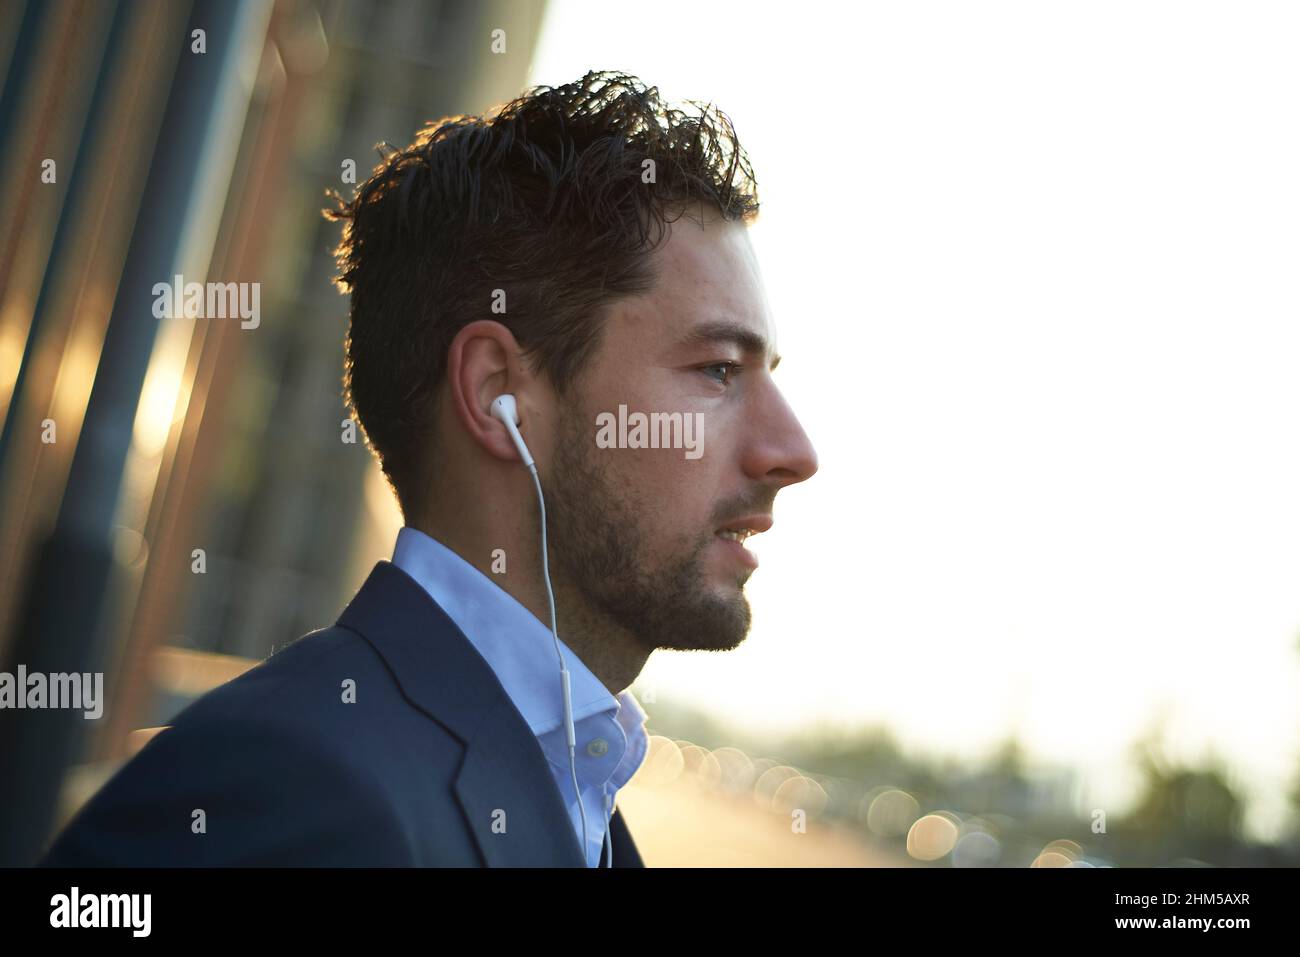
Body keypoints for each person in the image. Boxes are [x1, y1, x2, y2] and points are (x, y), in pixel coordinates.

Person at [39, 69, 818, 867]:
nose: (794, 452)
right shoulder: (284, 794)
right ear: (496, 394)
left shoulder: (578, 801)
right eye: (719, 370)